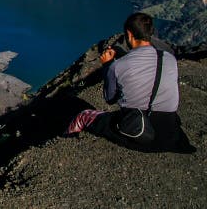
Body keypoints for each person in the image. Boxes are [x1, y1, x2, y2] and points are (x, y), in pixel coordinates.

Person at [66, 12, 194, 152]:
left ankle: (65, 143)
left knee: (83, 116)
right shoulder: (170, 59)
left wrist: (107, 65)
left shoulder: (118, 66)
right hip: (171, 134)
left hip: (140, 132)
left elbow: (110, 98)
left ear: (129, 34)